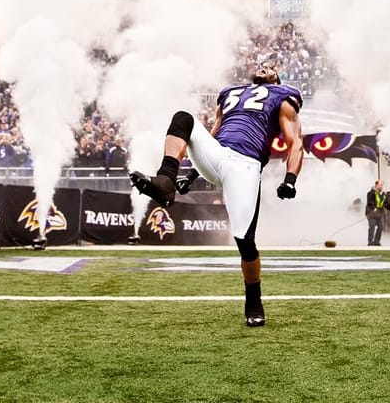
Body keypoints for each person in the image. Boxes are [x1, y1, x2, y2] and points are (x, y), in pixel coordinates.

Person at [130, 65, 304, 327]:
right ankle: (165, 181)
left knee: (245, 242)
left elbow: (296, 141)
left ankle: (253, 300)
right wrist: (191, 175)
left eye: (270, 67)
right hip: (217, 153)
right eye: (261, 65)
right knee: (183, 118)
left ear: (277, 78)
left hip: (245, 165)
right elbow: (212, 133)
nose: (263, 67)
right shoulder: (230, 93)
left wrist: (290, 179)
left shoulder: (282, 95)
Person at [364, 180, 390, 246]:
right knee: (372, 226)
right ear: (376, 185)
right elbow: (369, 202)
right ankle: (370, 242)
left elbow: (386, 204)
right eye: (380, 185)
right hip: (371, 213)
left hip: (379, 214)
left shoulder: (383, 195)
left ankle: (376, 241)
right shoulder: (370, 193)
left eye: (382, 185)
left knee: (381, 227)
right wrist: (374, 208)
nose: (381, 186)